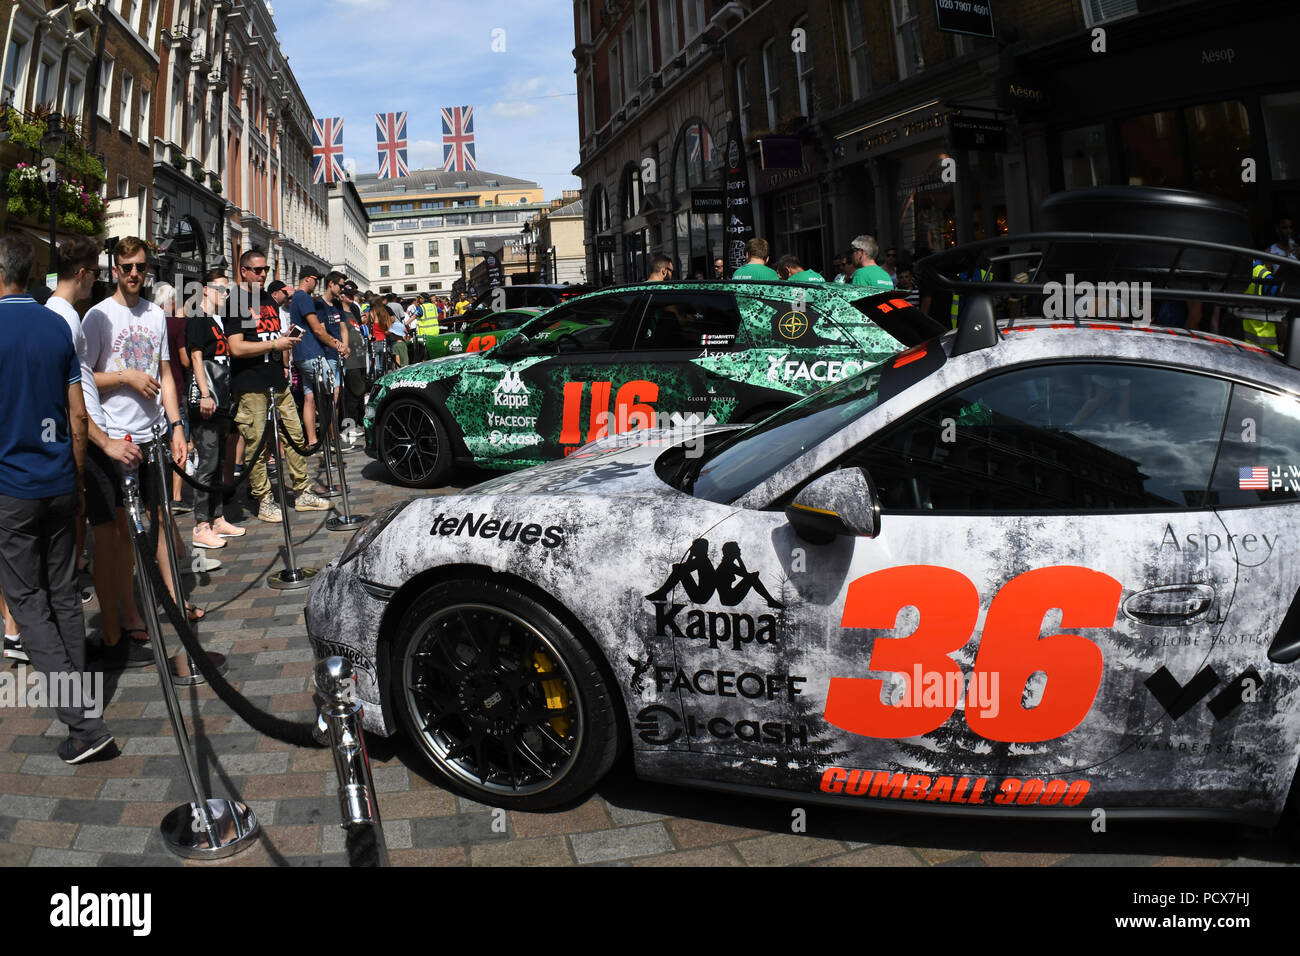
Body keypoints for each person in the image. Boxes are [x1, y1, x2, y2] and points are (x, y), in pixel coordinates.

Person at [0, 234, 116, 762]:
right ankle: (83, 706)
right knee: (65, 594)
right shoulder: (54, 326)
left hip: (13, 488)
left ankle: (83, 724)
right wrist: (73, 480)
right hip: (56, 480)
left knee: (29, 605)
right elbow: (76, 415)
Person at [84, 236, 203, 649]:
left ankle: (173, 598)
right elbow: (83, 379)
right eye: (127, 267)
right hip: (114, 438)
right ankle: (129, 611)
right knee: (118, 531)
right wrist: (126, 377)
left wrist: (176, 426)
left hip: (154, 434)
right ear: (114, 270)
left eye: (140, 267)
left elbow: (166, 373)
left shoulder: (154, 315)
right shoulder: (98, 318)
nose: (134, 274)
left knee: (161, 518)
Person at [44, 236, 148, 664]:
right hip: (96, 442)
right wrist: (100, 445)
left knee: (115, 537)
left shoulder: (65, 314)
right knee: (103, 543)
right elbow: (73, 399)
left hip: (100, 437)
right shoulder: (65, 318)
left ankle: (119, 623)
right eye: (101, 273)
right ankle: (108, 638)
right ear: (84, 273)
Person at [228, 253, 333, 522]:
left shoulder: (267, 300)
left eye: (265, 270)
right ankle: (264, 499)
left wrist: (282, 340)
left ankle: (302, 491)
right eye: (257, 270)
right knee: (256, 444)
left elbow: (268, 336)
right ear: (243, 271)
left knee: (295, 436)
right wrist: (274, 345)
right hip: (251, 382)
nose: (263, 275)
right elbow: (236, 347)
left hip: (276, 379)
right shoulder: (237, 300)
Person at [187, 269, 244, 550]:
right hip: (207, 400)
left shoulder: (217, 321)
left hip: (222, 399)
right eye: (221, 289)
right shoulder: (198, 318)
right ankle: (200, 525)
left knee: (220, 461)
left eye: (227, 290)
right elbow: (196, 358)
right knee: (207, 464)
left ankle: (218, 516)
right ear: (206, 290)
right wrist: (205, 395)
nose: (225, 294)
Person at [289, 266, 338, 447]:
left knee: (309, 397)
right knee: (329, 395)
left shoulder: (295, 298)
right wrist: (337, 345)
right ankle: (331, 439)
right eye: (315, 279)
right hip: (312, 354)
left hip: (302, 354)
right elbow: (317, 329)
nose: (317, 283)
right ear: (307, 279)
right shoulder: (304, 298)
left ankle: (313, 440)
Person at [155, 282, 193, 515]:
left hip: (154, 392)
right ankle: (176, 495)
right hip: (176, 388)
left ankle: (160, 493)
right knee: (179, 441)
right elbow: (185, 359)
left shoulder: (151, 323)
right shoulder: (178, 325)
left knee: (160, 445)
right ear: (170, 302)